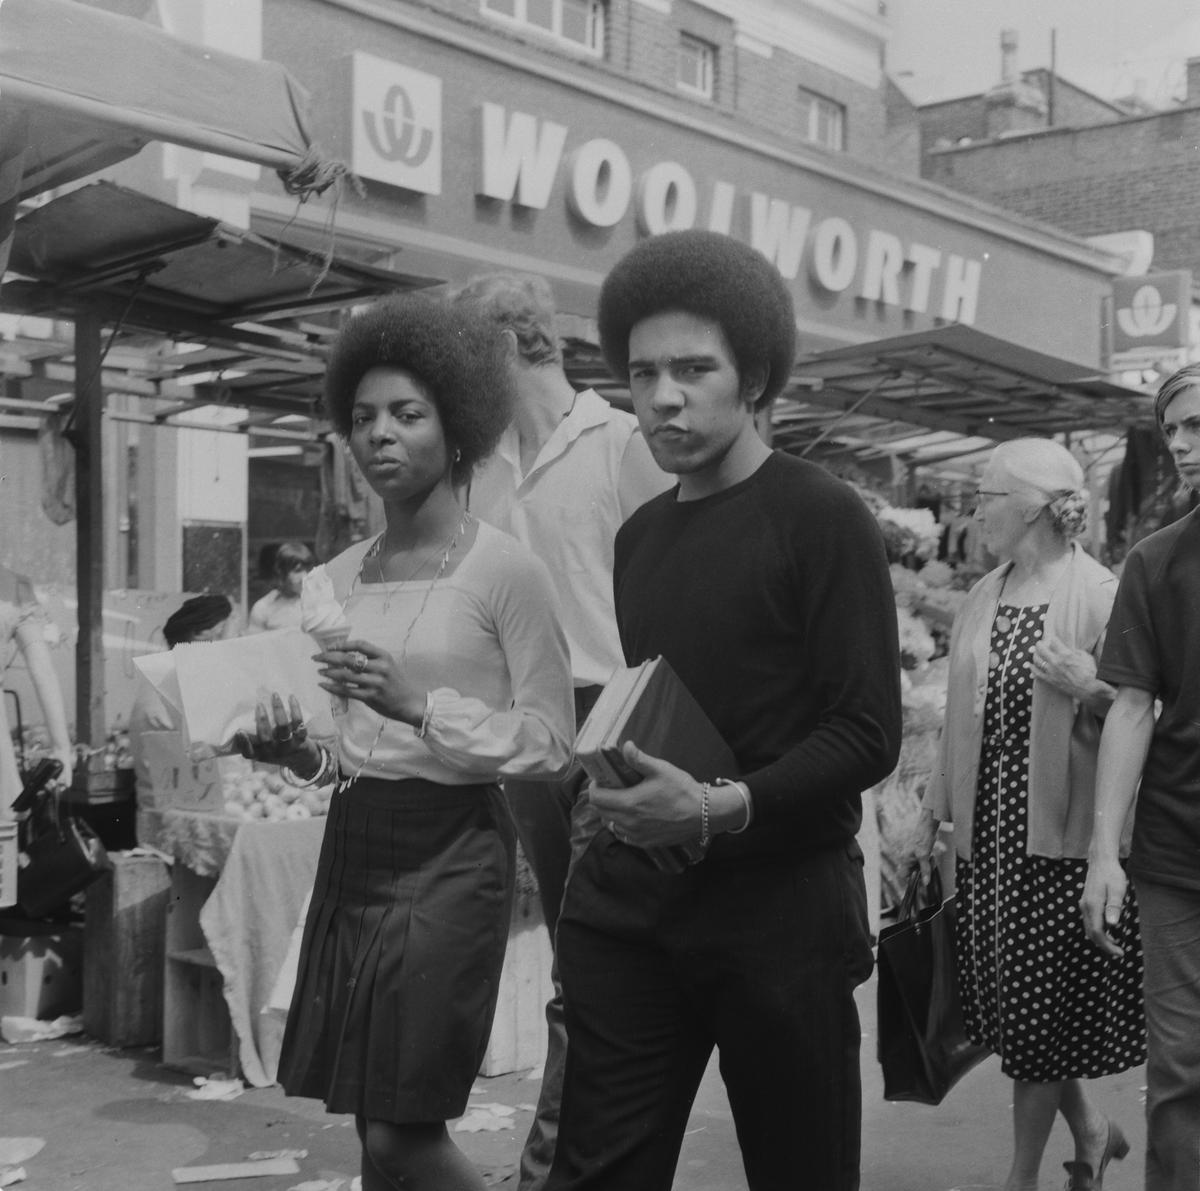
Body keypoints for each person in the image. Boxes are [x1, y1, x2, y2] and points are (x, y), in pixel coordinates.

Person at [545, 230, 902, 1191]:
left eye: (695, 368)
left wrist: (715, 805)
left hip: (781, 909)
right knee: (598, 1171)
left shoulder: (822, 517)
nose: (664, 396)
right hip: (637, 907)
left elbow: (867, 730)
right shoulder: (639, 539)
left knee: (801, 1172)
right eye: (643, 371)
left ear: (754, 377)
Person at [235, 293, 574, 1191]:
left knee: (400, 1134)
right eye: (363, 417)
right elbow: (342, 748)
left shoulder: (507, 569)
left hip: (455, 851)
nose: (379, 434)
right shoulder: (336, 579)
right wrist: (290, 753)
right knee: (368, 1126)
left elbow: (551, 741)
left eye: (407, 414)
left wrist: (423, 706)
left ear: (458, 425)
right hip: (356, 846)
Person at [452, 270, 670, 1191]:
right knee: (576, 959)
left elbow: (676, 589)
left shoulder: (619, 441)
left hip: (612, 716)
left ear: (505, 348)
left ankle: (550, 1168)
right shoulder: (486, 470)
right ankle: (576, 1155)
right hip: (528, 729)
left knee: (584, 962)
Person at [909, 439, 1143, 1191]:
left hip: (1059, 842)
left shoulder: (1104, 593)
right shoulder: (986, 592)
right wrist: (934, 809)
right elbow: (957, 720)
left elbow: (1150, 719)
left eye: (986, 498)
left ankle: (1020, 1177)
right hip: (989, 839)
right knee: (1017, 1014)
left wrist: (1093, 687)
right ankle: (1094, 1131)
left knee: (1038, 1021)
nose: (974, 512)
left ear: (1037, 508)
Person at [1082, 361, 1200, 1191]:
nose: (1184, 443)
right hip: (1177, 852)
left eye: (1198, 422)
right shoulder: (1156, 562)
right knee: (1182, 1067)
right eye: (1174, 430)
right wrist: (1103, 853)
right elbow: (1129, 707)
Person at [128, 594, 234, 838]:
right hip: (179, 830)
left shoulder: (166, 672)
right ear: (203, 635)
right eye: (232, 637)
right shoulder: (178, 681)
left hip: (171, 819)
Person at [0, 565, 73, 811]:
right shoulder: (14, 587)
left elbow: (43, 672)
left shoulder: (15, 587)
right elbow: (42, 672)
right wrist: (61, 749)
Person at [247, 542, 315, 633]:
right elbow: (254, 645)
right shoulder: (263, 608)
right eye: (297, 571)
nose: (304, 576)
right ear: (281, 572)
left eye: (308, 570)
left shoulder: (318, 602)